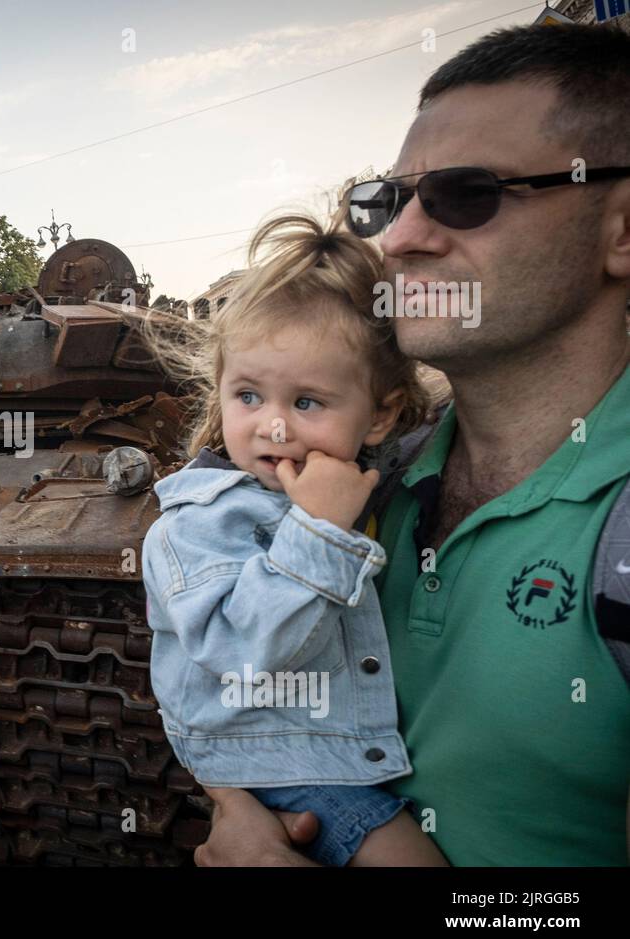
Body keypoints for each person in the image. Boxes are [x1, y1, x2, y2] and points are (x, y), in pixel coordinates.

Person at [197, 23, 630, 867]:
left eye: (467, 194)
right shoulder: (365, 474)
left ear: (621, 229)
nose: (398, 240)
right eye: (386, 201)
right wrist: (239, 807)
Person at [143, 212, 446, 867]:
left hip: (333, 744)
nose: (274, 429)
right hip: (284, 760)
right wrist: (318, 533)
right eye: (248, 395)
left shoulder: (379, 473)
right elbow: (245, 657)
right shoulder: (196, 523)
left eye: (308, 403)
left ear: (383, 414)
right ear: (218, 392)